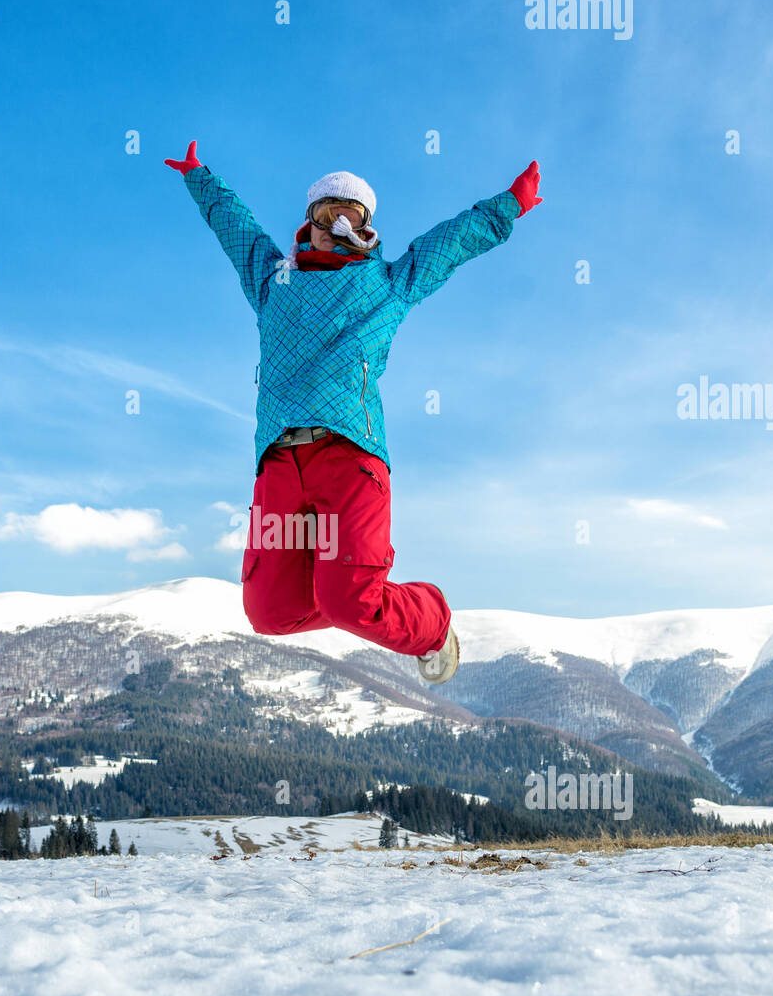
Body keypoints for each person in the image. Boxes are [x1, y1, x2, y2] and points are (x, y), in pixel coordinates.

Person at [165, 140, 542, 683]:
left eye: (350, 214)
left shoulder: (388, 282)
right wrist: (199, 177)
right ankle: (345, 587)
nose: (335, 222)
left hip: (351, 457)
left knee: (351, 605)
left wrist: (509, 205)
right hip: (279, 464)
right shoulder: (273, 281)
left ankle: (430, 620)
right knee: (269, 613)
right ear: (309, 223)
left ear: (365, 225)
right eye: (325, 213)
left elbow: (450, 243)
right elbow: (235, 227)